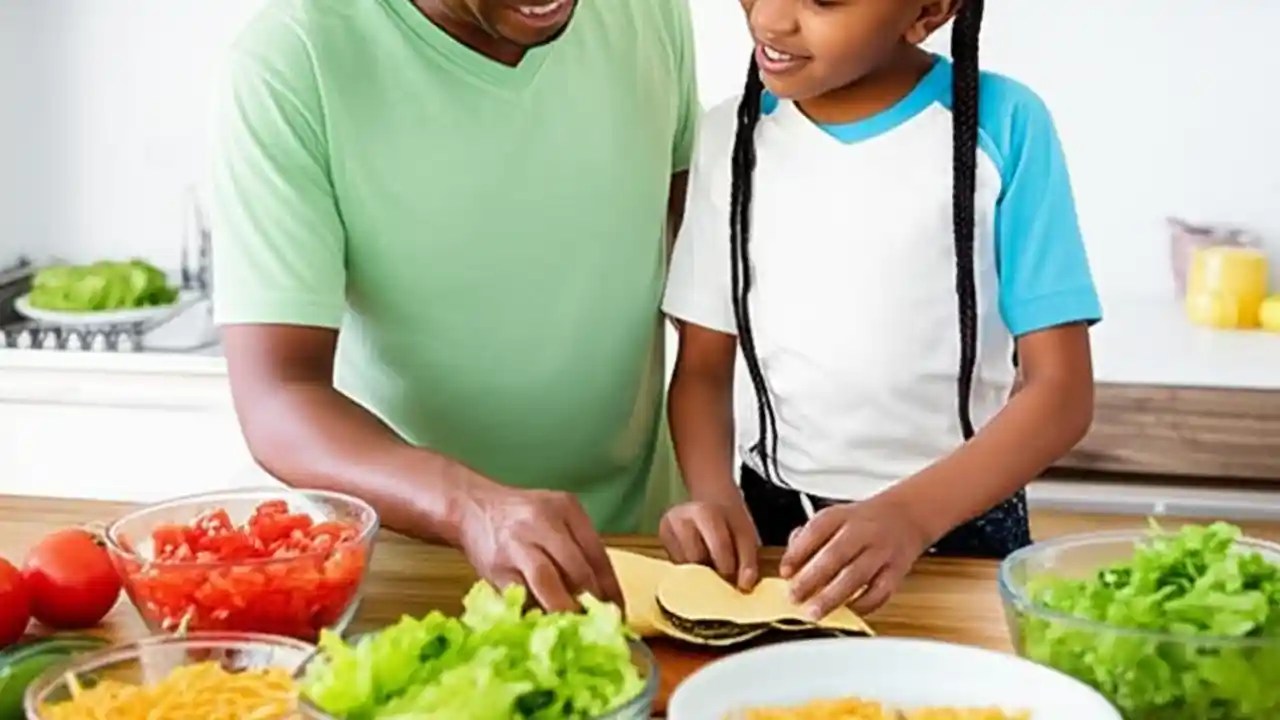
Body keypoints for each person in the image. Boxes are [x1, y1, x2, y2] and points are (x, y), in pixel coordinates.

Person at [210, 0, 698, 612]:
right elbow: (278, 395)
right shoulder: (293, 59)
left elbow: (706, 264)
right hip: (418, 572)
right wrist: (469, 506)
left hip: (645, 558)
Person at [658, 0, 1101, 620]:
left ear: (930, 10)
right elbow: (702, 369)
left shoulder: (1003, 124)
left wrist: (908, 517)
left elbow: (1061, 392)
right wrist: (713, 496)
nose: (770, 19)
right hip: (779, 539)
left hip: (960, 530)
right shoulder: (728, 137)